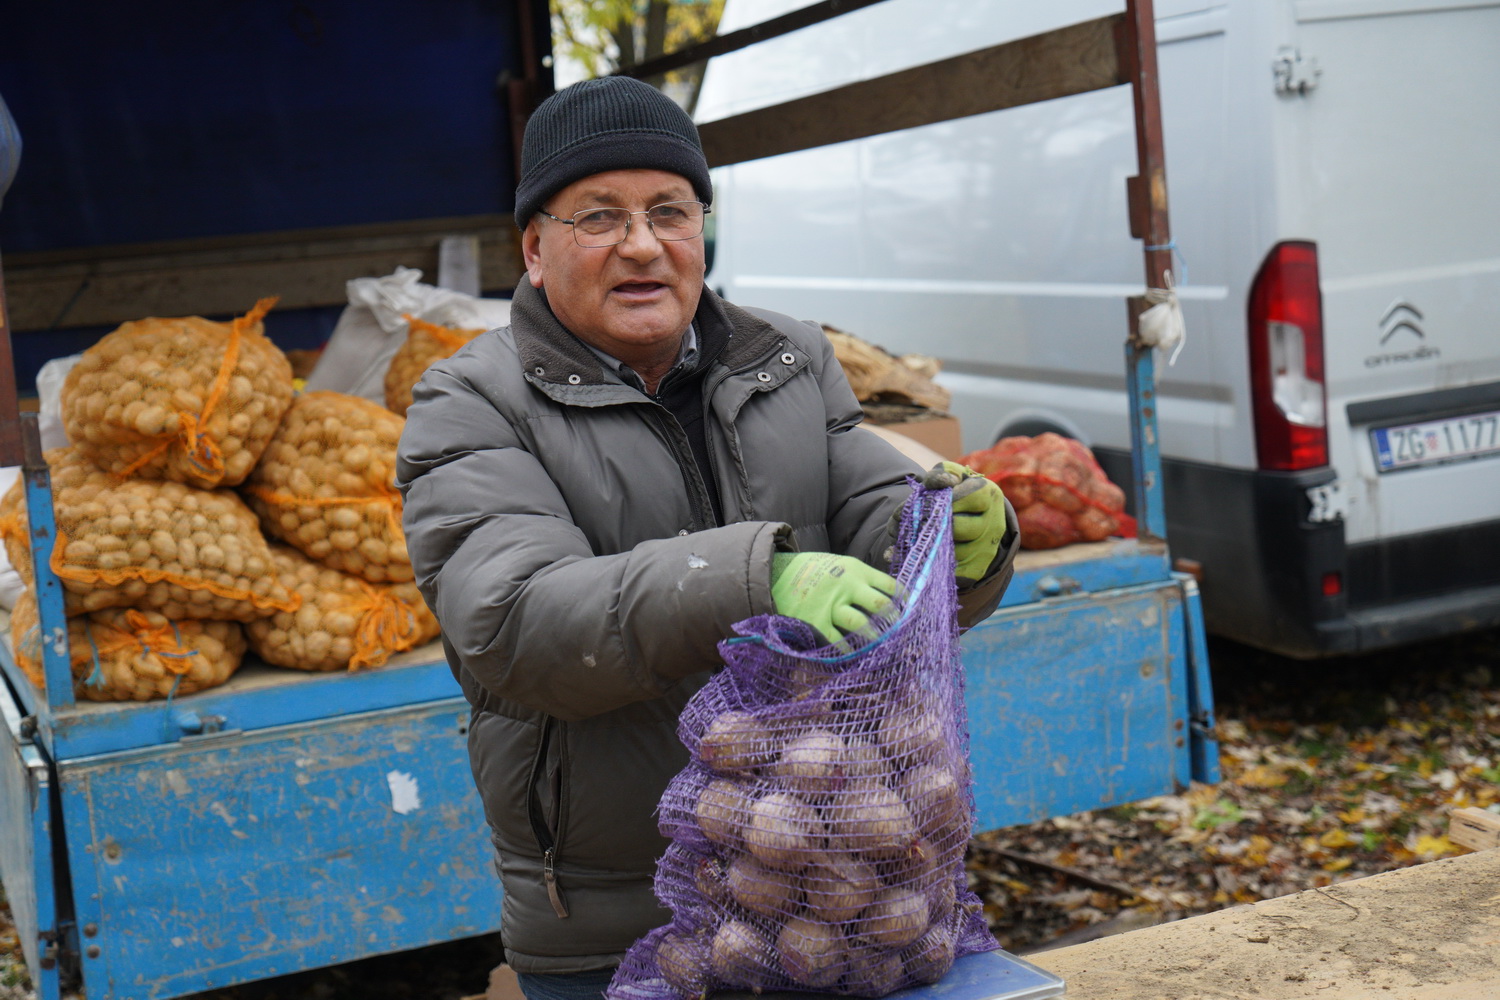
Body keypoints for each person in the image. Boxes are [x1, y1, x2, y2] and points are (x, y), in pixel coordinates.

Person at [396, 75, 1017, 1000]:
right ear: (534, 248)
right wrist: (758, 578)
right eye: (598, 217)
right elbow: (517, 624)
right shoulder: (470, 403)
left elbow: (877, 510)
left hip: (826, 883)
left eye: (670, 211)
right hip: (619, 918)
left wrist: (954, 541)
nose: (642, 244)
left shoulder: (788, 360)